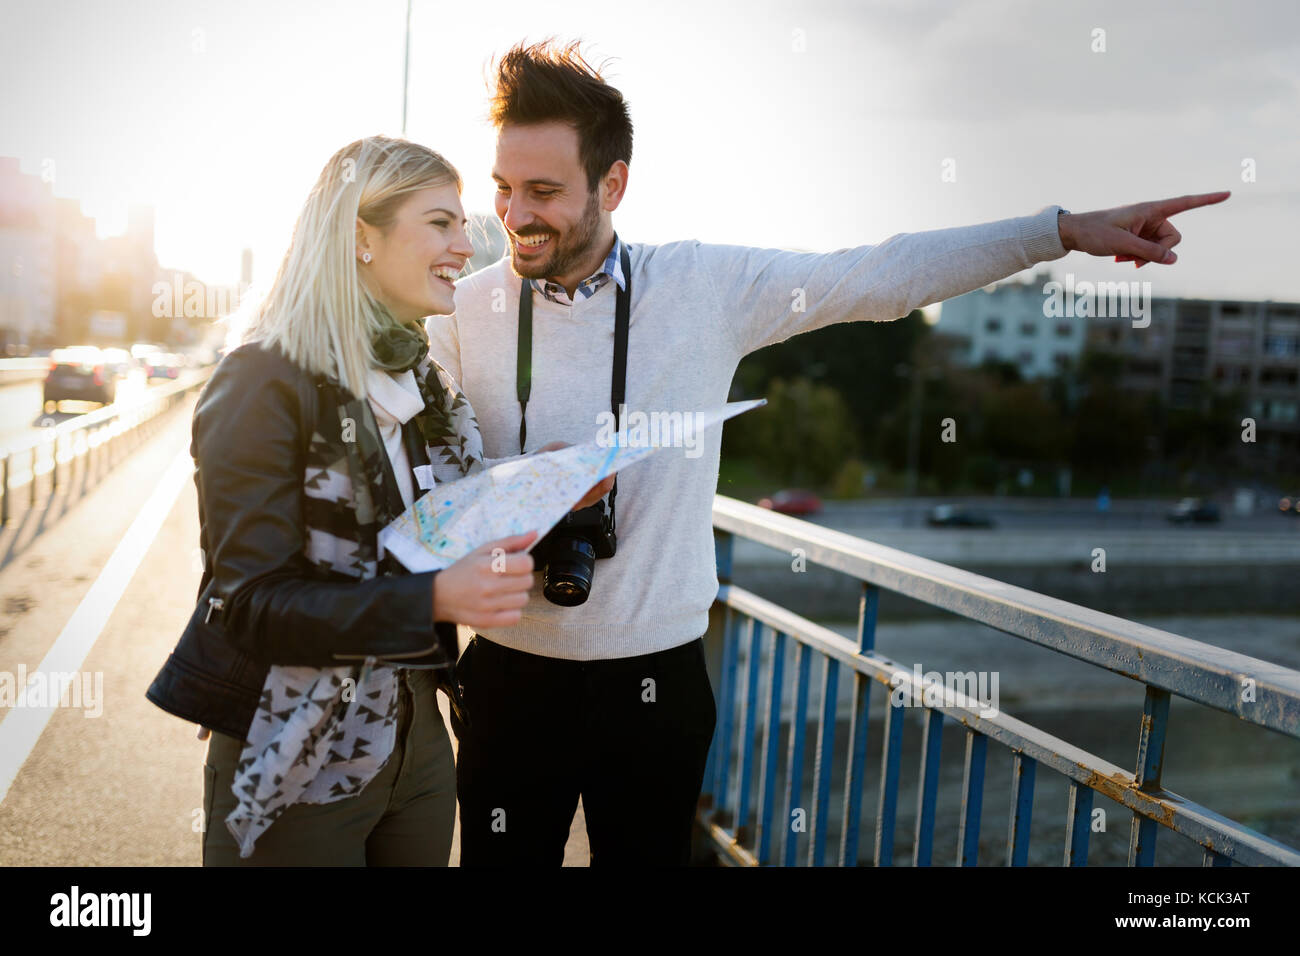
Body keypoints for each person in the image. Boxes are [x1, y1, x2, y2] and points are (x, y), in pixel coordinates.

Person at [428, 38, 1231, 866]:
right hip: (510, 677)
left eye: (545, 191)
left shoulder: (700, 287)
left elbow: (879, 277)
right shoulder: (460, 308)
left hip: (656, 684)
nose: (516, 215)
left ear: (614, 184)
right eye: (504, 188)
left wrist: (1057, 231)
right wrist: (525, 486)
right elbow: (431, 492)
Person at [145, 135, 588, 865]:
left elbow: (452, 522)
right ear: (361, 238)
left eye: (462, 224)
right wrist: (432, 599)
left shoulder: (425, 385)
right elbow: (254, 602)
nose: (466, 243)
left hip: (414, 741)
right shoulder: (263, 382)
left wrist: (545, 483)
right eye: (441, 223)